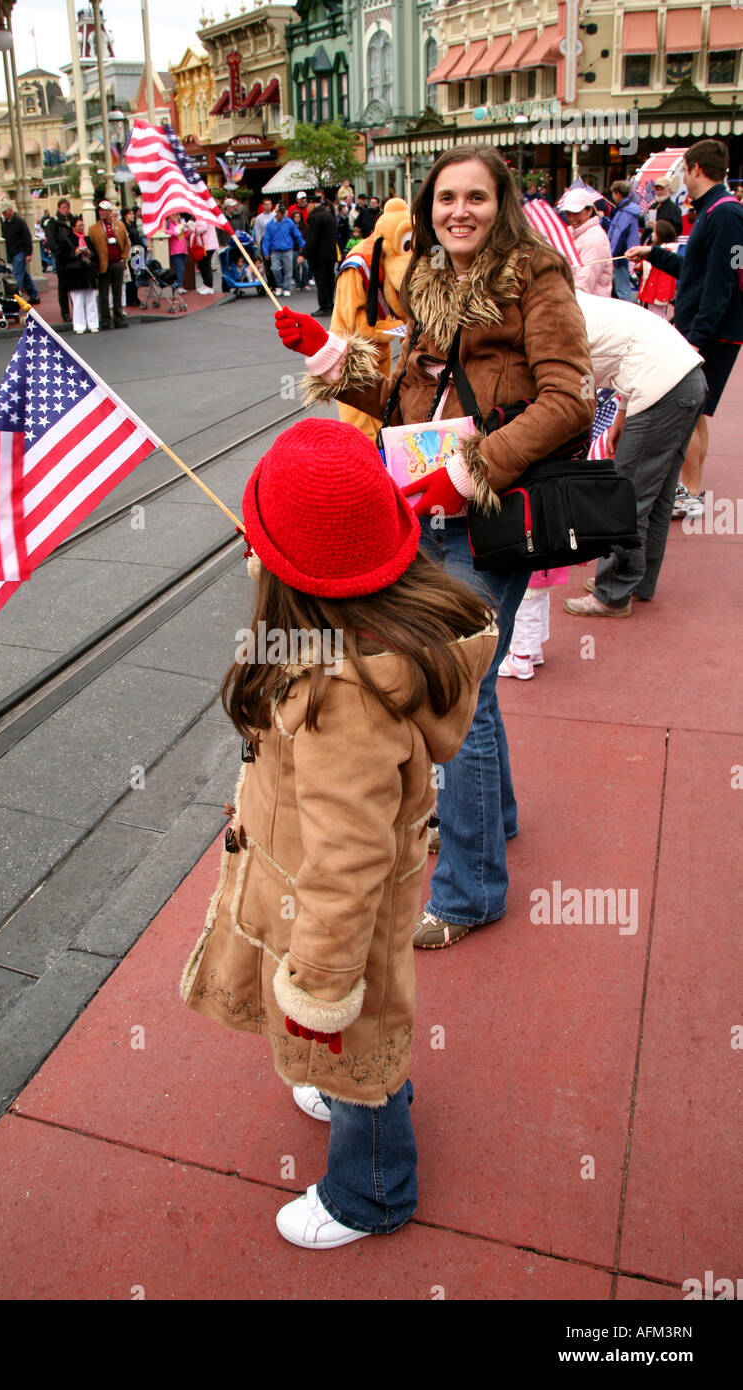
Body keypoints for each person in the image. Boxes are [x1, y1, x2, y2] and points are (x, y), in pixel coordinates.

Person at [180, 417, 497, 1247]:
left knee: (361, 1034)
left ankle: (373, 1191)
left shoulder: (343, 693)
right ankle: (351, 1079)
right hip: (342, 892)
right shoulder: (348, 645)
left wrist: (320, 985)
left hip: (337, 917)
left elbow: (349, 856)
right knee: (369, 1026)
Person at [275, 144, 595, 947]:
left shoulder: (536, 278)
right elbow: (399, 393)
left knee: (455, 689)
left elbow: (570, 401)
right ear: (428, 208)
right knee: (470, 681)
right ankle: (495, 819)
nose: (460, 211)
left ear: (501, 202)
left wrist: (474, 467)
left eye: (475, 198)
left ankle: (469, 891)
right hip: (430, 505)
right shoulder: (430, 282)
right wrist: (324, 354)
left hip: (495, 508)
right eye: (446, 198)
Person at [563, 291, 707, 617]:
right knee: (654, 497)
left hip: (662, 386)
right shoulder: (577, 302)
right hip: (684, 380)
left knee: (625, 496)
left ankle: (613, 592)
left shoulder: (557, 315)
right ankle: (637, 583)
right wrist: (622, 414)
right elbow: (627, 353)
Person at [626, 139, 743, 522]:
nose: (679, 180)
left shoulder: (723, 213)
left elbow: (720, 283)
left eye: (682, 172)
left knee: (689, 413)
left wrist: (696, 336)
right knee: (697, 413)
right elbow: (696, 274)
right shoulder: (714, 210)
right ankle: (692, 489)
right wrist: (654, 254)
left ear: (694, 169)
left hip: (710, 331)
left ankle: (691, 492)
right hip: (707, 328)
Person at [560, 187, 612, 296]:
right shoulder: (571, 233)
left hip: (590, 304)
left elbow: (583, 283)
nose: (571, 218)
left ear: (590, 210)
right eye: (568, 213)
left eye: (576, 213)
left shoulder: (594, 239)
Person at [55, 215, 100, 334]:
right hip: (74, 274)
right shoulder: (67, 240)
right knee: (78, 301)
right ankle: (79, 325)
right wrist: (75, 252)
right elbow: (61, 256)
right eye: (79, 225)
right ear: (73, 227)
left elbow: (95, 255)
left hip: (88, 273)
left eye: (83, 225)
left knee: (91, 300)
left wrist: (89, 252)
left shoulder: (88, 239)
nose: (82, 227)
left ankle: (93, 323)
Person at [88, 199, 129, 328]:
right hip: (103, 264)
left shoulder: (120, 226)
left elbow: (126, 243)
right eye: (100, 210)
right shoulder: (93, 229)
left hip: (117, 262)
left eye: (104, 210)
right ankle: (105, 319)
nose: (102, 213)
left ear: (110, 212)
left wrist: (123, 258)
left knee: (117, 292)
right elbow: (93, 246)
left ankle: (118, 317)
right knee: (104, 294)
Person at [301, 192, 338, 317]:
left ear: (312, 204)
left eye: (308, 205)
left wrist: (303, 254)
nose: (307, 208)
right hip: (330, 254)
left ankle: (324, 306)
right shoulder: (329, 215)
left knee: (322, 282)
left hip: (319, 256)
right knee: (329, 281)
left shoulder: (315, 217)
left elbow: (312, 237)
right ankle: (330, 304)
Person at [607, 180, 643, 301]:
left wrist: (612, 254)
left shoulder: (625, 212)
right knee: (622, 286)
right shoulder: (625, 210)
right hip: (626, 252)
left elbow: (619, 234)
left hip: (622, 254)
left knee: (622, 289)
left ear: (617, 193)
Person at [636, 220, 679, 319]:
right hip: (650, 293)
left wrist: (660, 298)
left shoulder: (666, 254)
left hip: (655, 296)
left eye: (654, 232)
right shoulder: (659, 251)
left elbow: (665, 280)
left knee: (657, 319)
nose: (652, 234)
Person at [261, 204, 303, 297]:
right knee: (275, 269)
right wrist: (266, 251)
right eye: (280, 212)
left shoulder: (289, 222)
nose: (282, 214)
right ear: (276, 212)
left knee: (288, 270)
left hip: (287, 249)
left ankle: (286, 288)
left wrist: (302, 244)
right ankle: (279, 285)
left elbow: (297, 234)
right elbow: (267, 239)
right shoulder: (270, 224)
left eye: (283, 212)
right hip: (275, 250)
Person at [0, 203, 39, 304]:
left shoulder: (19, 222)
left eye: (5, 211)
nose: (4, 214)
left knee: (17, 275)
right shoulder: (5, 224)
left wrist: (28, 253)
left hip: (19, 251)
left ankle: (16, 297)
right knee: (24, 274)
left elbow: (27, 237)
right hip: (13, 252)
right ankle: (34, 294)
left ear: (10, 210)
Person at [45, 198, 75, 322]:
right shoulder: (54, 223)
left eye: (67, 208)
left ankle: (76, 310)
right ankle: (65, 312)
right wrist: (58, 250)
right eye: (63, 208)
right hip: (62, 258)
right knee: (63, 286)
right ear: (58, 208)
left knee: (74, 285)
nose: (66, 210)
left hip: (73, 257)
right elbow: (50, 241)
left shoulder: (72, 220)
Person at [186, 215, 220, 294]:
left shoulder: (202, 216)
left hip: (207, 245)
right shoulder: (202, 215)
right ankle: (206, 284)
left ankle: (209, 286)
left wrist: (192, 227)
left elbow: (202, 228)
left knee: (205, 265)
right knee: (202, 265)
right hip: (206, 245)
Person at [163, 214, 189, 289]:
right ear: (169, 216)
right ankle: (178, 286)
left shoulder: (180, 224)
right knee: (180, 269)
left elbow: (186, 236)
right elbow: (164, 231)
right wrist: (174, 233)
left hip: (183, 250)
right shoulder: (166, 223)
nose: (175, 216)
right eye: (173, 215)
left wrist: (186, 230)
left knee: (180, 269)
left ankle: (178, 285)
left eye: (177, 215)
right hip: (174, 250)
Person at [291, 211, 310, 290]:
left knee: (305, 266)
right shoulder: (291, 226)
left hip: (303, 248)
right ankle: (298, 284)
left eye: (298, 217)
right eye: (295, 217)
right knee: (296, 267)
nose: (297, 219)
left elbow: (307, 237)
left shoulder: (304, 226)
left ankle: (305, 282)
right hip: (294, 248)